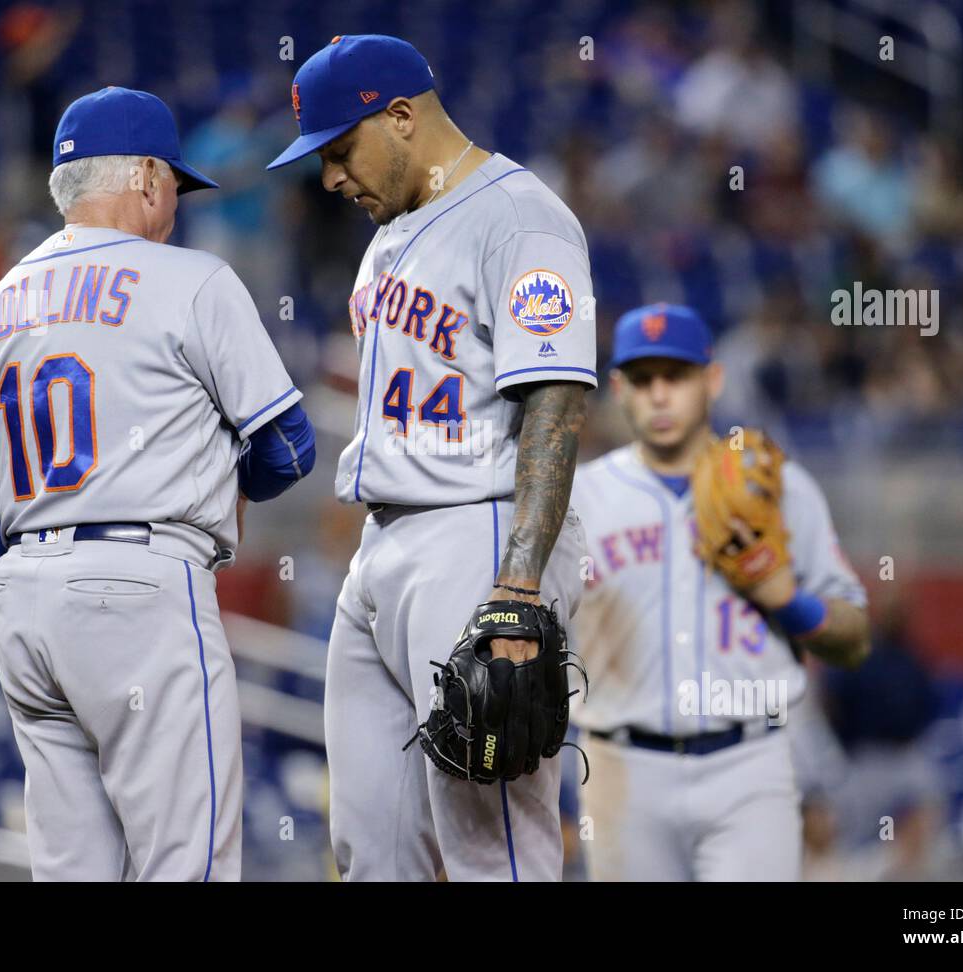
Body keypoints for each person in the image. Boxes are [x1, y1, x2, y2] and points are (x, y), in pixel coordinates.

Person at [0, 86, 315, 881]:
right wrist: (211, 483)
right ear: (141, 176)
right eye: (171, 180)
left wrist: (15, 570)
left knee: (72, 871)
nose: (174, 200)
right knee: (185, 864)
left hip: (26, 606)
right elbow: (290, 449)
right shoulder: (195, 281)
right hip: (144, 586)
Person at [267, 35, 596, 881]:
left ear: (403, 117)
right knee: (370, 846)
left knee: (494, 848)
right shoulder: (388, 235)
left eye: (341, 150)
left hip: (477, 531)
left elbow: (556, 403)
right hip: (385, 548)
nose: (332, 177)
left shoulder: (520, 217)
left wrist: (518, 587)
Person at [570, 303, 870, 881]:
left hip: (749, 766)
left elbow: (854, 640)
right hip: (618, 767)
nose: (660, 395)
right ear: (618, 388)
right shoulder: (580, 498)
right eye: (642, 378)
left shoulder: (776, 489)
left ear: (712, 379)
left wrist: (790, 601)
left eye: (676, 376)